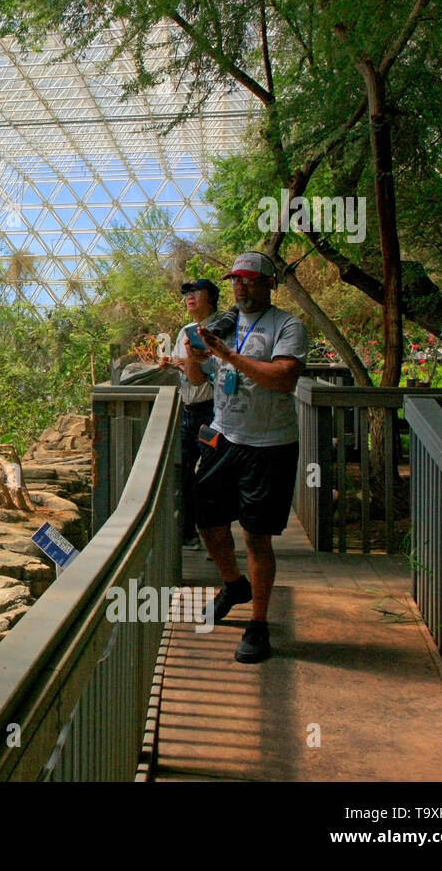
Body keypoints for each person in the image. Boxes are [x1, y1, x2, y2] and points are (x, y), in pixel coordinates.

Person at [185, 251, 307, 663]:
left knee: (256, 535)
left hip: (270, 444)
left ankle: (258, 625)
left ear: (269, 284)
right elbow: (198, 379)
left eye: (251, 280)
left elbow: (284, 378)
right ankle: (234, 584)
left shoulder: (287, 325)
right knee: (206, 518)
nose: (241, 287)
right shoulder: (224, 323)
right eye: (236, 280)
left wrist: (228, 355)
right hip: (224, 436)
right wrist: (196, 354)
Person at [161, 278, 219, 550]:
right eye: (186, 293)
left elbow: (213, 368)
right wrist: (173, 363)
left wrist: (187, 362)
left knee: (212, 476)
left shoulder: (224, 328)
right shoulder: (186, 330)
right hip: (187, 412)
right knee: (182, 473)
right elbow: (183, 368)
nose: (189, 297)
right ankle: (188, 533)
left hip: (213, 412)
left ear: (211, 297)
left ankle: (216, 538)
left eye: (195, 292)